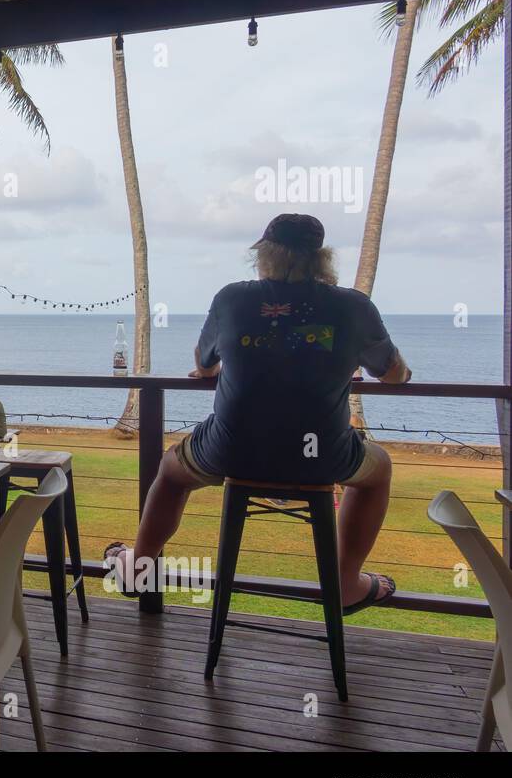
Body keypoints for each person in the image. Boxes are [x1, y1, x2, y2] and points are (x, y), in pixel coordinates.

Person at [104, 214, 410, 614]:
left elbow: (205, 363)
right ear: (321, 258)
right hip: (321, 459)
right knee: (379, 469)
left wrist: (209, 372)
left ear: (265, 253)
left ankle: (137, 568)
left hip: (231, 452)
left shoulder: (233, 298)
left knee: (170, 471)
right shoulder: (352, 306)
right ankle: (346, 583)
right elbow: (391, 374)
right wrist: (398, 371)